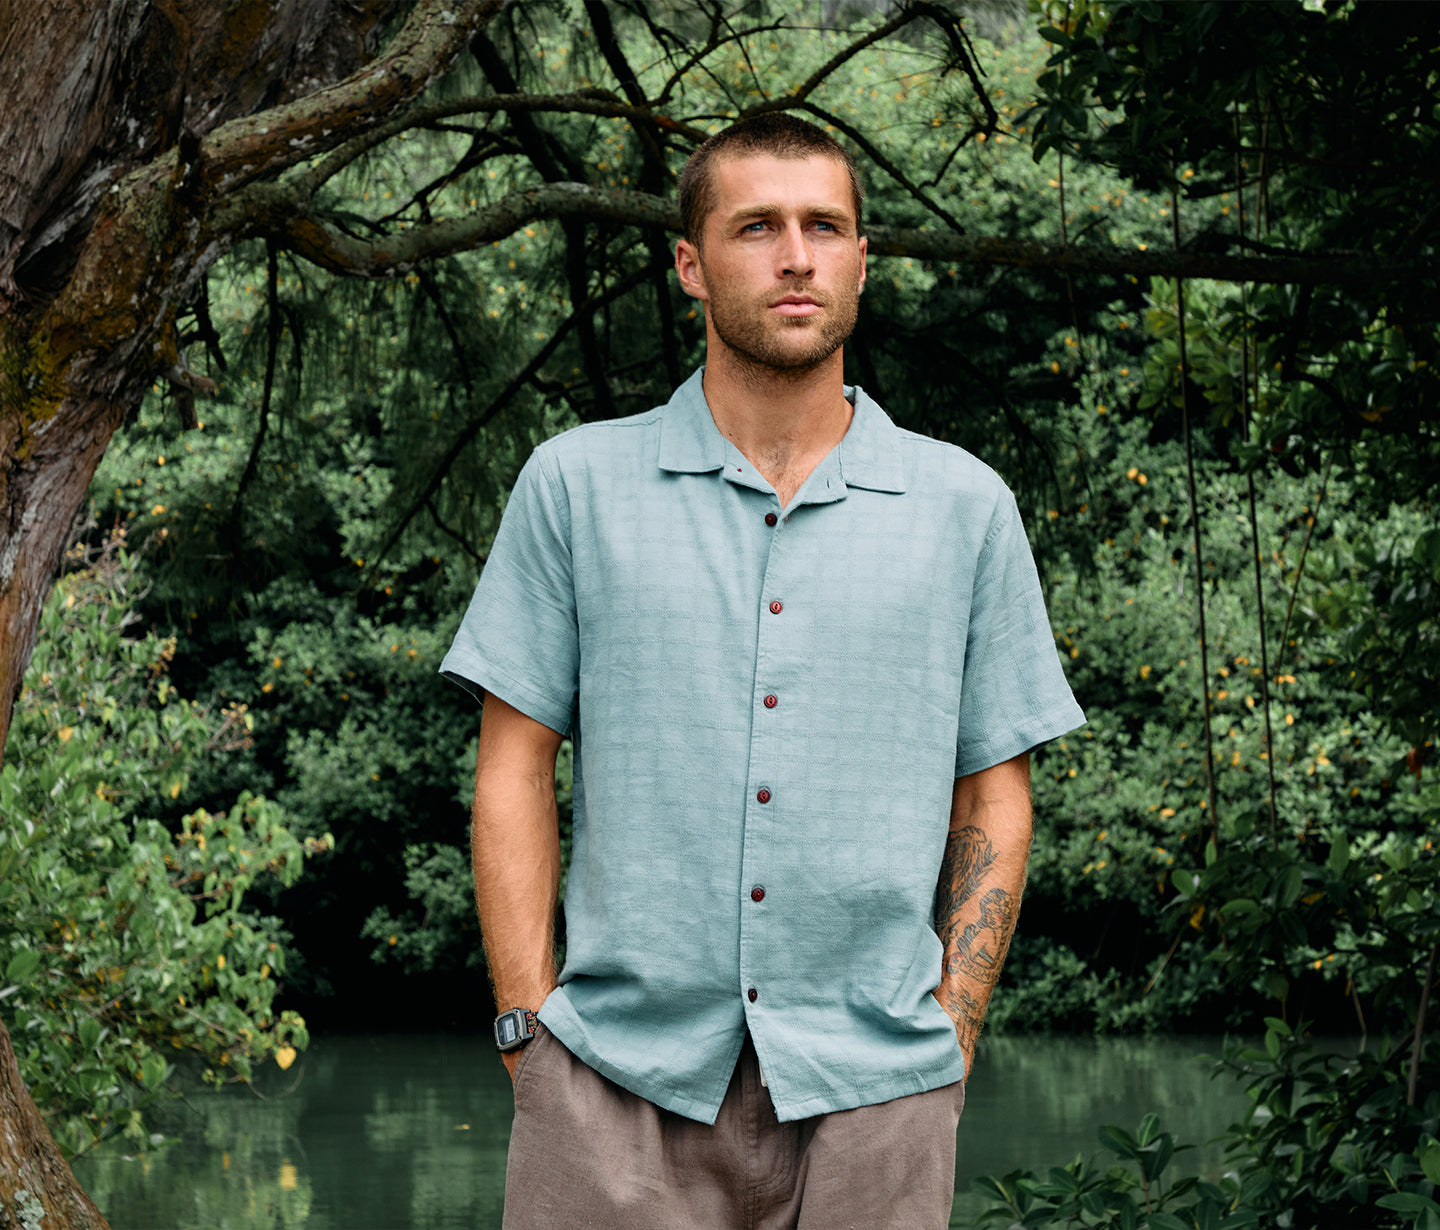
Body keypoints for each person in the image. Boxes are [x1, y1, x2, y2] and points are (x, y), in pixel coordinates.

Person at [440, 112, 1084, 1229]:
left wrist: (952, 1035)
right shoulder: (575, 487)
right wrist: (526, 1032)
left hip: (879, 1094)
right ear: (691, 264)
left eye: (824, 227)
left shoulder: (966, 509)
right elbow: (513, 769)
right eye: (757, 227)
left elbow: (994, 795)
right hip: (609, 1085)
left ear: (861, 261)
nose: (796, 256)